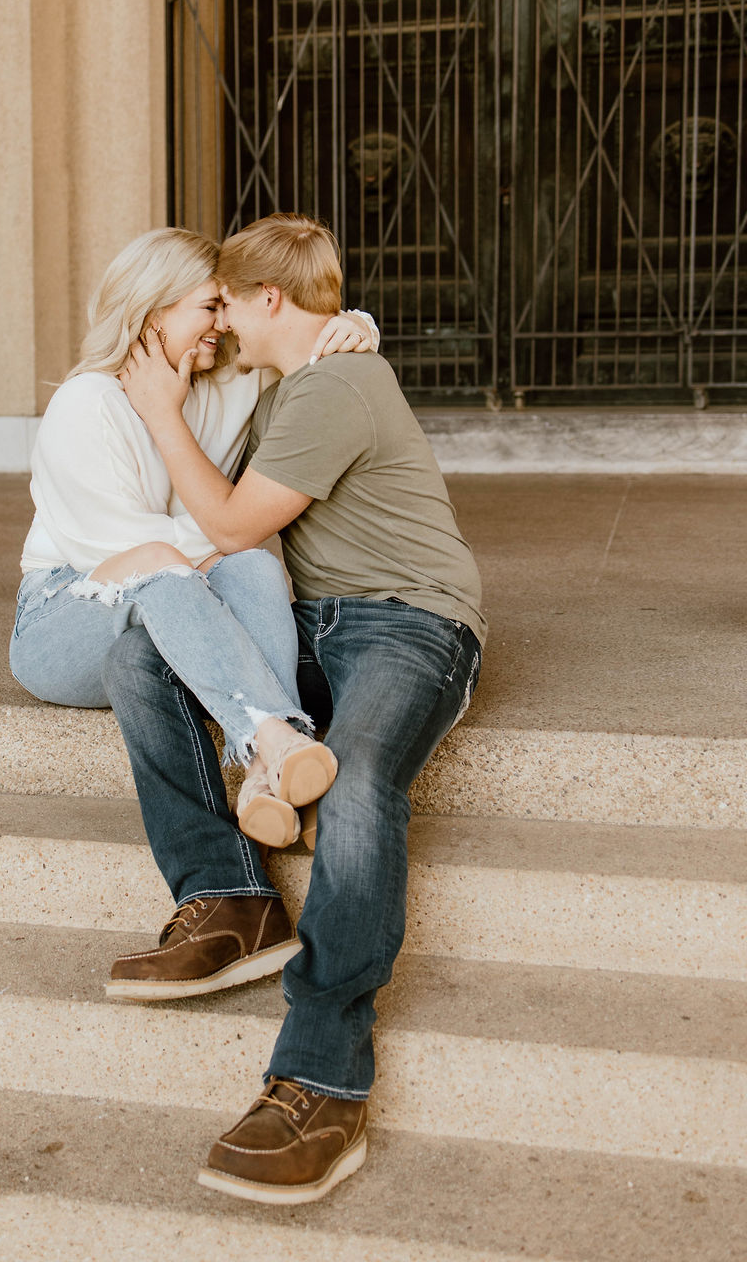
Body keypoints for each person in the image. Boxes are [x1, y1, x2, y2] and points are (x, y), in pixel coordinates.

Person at [107, 212, 486, 1205]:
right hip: (309, 622)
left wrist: (160, 415)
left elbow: (230, 520)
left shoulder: (339, 383)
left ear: (267, 299)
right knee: (141, 649)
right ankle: (229, 891)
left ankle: (321, 1077)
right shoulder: (292, 384)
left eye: (225, 300)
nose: (218, 320)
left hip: (405, 628)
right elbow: (229, 533)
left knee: (358, 785)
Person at [9, 226, 379, 891]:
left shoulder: (225, 384)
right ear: (154, 311)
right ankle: (276, 740)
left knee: (256, 567)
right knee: (174, 559)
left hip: (180, 596)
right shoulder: (85, 405)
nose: (223, 322)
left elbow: (296, 335)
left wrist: (354, 328)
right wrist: (221, 539)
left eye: (225, 306)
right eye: (208, 306)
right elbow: (128, 554)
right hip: (64, 618)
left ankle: (271, 770)